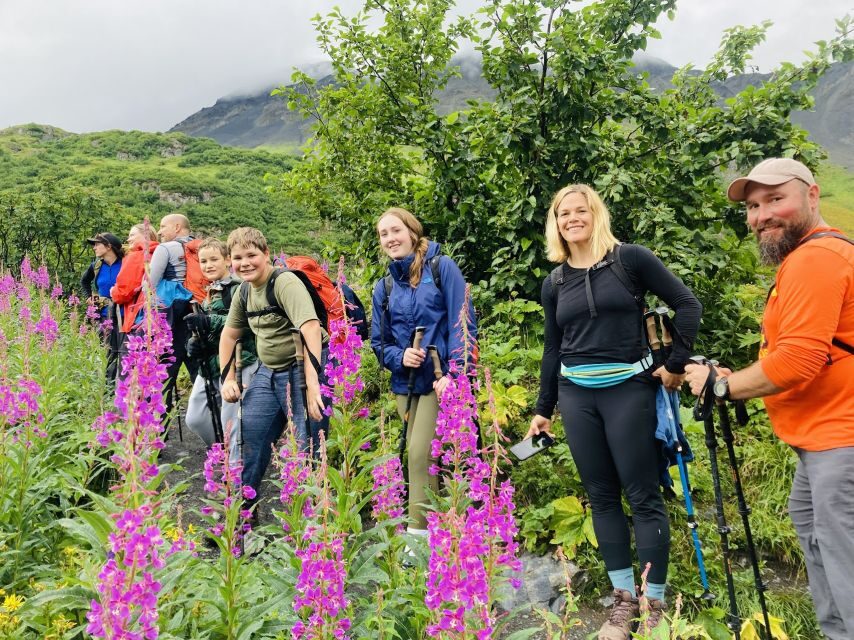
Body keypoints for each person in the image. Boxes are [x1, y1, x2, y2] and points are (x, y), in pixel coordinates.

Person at [685, 158, 854, 640]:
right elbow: (804, 350)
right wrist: (734, 377)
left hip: (840, 442)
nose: (761, 216)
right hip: (820, 442)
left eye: (775, 199)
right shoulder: (815, 256)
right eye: (753, 207)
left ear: (813, 195)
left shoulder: (815, 258)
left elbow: (797, 361)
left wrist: (720, 386)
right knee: (819, 543)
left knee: (845, 565)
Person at [526, 184, 702, 640]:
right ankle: (623, 603)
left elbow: (688, 305)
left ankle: (654, 603)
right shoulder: (554, 282)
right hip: (577, 396)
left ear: (595, 214)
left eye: (580, 210)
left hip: (629, 390)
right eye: (563, 213)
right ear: (556, 223)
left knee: (642, 495)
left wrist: (675, 366)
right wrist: (544, 408)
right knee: (601, 496)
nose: (572, 219)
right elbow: (553, 348)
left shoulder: (630, 260)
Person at [370, 207, 477, 538]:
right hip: (405, 383)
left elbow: (462, 323)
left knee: (420, 455)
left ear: (412, 231)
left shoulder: (441, 268)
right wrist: (400, 356)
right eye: (384, 234)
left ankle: (417, 540)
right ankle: (449, 536)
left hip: (439, 380)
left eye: (396, 230)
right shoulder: (385, 287)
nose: (390, 238)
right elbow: (379, 342)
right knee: (429, 461)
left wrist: (456, 374)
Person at [219, 227, 328, 503]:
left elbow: (310, 328)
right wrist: (228, 378)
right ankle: (241, 511)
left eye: (251, 255)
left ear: (266, 254)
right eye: (238, 258)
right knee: (248, 436)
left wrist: (313, 385)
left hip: (303, 367)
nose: (245, 263)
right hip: (268, 371)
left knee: (307, 445)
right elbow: (229, 335)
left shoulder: (284, 283)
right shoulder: (244, 291)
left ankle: (313, 517)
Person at [183, 238, 258, 464]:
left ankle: (236, 469)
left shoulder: (239, 288)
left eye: (214, 259)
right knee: (195, 418)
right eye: (203, 261)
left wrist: (209, 322)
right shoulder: (209, 292)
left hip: (240, 361)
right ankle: (222, 452)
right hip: (211, 363)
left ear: (227, 260)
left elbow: (248, 322)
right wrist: (194, 344)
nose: (208, 265)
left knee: (232, 421)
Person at [151, 213, 197, 424]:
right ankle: (215, 429)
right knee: (200, 373)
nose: (160, 231)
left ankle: (159, 430)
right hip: (198, 315)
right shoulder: (201, 248)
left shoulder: (165, 248)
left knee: (165, 374)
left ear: (177, 227)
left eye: (163, 226)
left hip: (171, 318)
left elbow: (150, 283)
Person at [80, 232, 125, 381]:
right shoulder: (96, 265)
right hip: (104, 315)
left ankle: (125, 388)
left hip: (125, 315)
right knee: (107, 353)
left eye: (97, 244)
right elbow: (84, 281)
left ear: (108, 246)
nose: (94, 247)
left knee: (125, 353)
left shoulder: (125, 263)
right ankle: (107, 388)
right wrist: (88, 297)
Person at [110, 223, 159, 336]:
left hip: (137, 318)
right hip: (156, 314)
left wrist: (113, 292)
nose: (128, 239)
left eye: (132, 235)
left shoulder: (136, 256)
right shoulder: (158, 253)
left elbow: (124, 291)